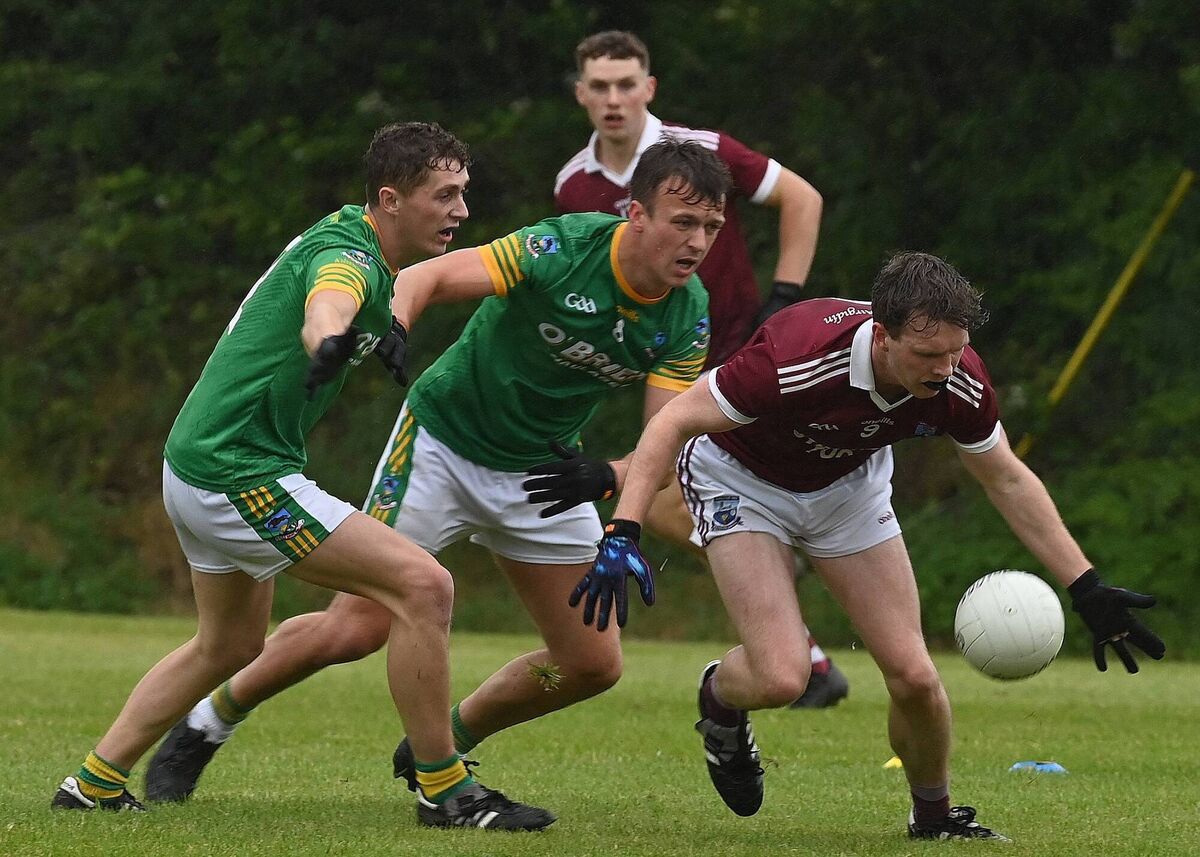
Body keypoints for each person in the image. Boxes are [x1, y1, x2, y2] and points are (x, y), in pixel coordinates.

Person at [141, 140, 728, 813]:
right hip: (441, 444)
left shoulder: (688, 314)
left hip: (546, 473)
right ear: (636, 213)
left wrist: (609, 476)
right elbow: (429, 277)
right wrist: (395, 320)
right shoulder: (559, 247)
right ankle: (207, 723)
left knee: (594, 664)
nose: (697, 242)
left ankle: (442, 741)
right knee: (354, 630)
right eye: (682, 222)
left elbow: (665, 438)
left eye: (711, 227)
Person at [50, 122, 555, 831]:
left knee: (227, 645)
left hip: (196, 463)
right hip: (237, 472)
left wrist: (373, 327)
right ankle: (446, 790)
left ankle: (93, 783)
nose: (460, 210)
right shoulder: (346, 251)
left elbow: (361, 291)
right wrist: (329, 337)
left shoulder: (358, 240)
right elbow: (330, 299)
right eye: (444, 195)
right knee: (423, 583)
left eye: (462, 193)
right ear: (390, 198)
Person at [572, 251, 1165, 841]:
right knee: (783, 677)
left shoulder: (961, 379)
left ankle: (933, 818)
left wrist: (1084, 585)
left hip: (847, 494)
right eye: (929, 355)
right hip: (741, 482)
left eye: (956, 351)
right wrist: (625, 528)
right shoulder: (796, 357)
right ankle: (720, 699)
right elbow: (673, 421)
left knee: (916, 679)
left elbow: (1005, 476)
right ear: (881, 336)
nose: (945, 368)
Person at [556, 29, 847, 708]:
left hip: (742, 357)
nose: (614, 99)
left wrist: (785, 300)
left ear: (648, 88)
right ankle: (802, 646)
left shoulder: (703, 150)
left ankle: (802, 640)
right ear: (580, 95)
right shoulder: (575, 183)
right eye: (599, 86)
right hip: (670, 371)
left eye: (626, 83)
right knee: (663, 505)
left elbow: (803, 200)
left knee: (671, 497)